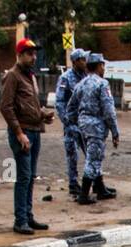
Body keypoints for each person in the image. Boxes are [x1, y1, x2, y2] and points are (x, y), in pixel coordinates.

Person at [0, 38, 55, 233]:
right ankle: (20, 220)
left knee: (31, 176)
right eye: (29, 54)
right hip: (22, 133)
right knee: (23, 177)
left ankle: (28, 216)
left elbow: (29, 105)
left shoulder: (30, 76)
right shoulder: (12, 76)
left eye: (34, 54)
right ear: (20, 55)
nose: (33, 57)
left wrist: (42, 115)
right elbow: (6, 107)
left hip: (35, 129)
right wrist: (19, 133)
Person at [68, 52, 120, 205]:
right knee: (93, 159)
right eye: (103, 65)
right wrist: (115, 132)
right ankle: (84, 195)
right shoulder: (102, 84)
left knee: (94, 156)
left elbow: (71, 107)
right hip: (97, 127)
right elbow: (109, 111)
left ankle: (101, 189)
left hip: (83, 126)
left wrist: (75, 122)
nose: (104, 68)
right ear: (98, 66)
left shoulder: (81, 84)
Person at [55, 49, 89, 197]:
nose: (84, 62)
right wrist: (67, 121)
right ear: (74, 62)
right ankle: (73, 183)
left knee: (91, 153)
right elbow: (59, 101)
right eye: (81, 60)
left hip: (85, 122)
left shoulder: (86, 76)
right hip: (72, 123)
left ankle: (93, 181)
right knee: (72, 154)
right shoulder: (66, 78)